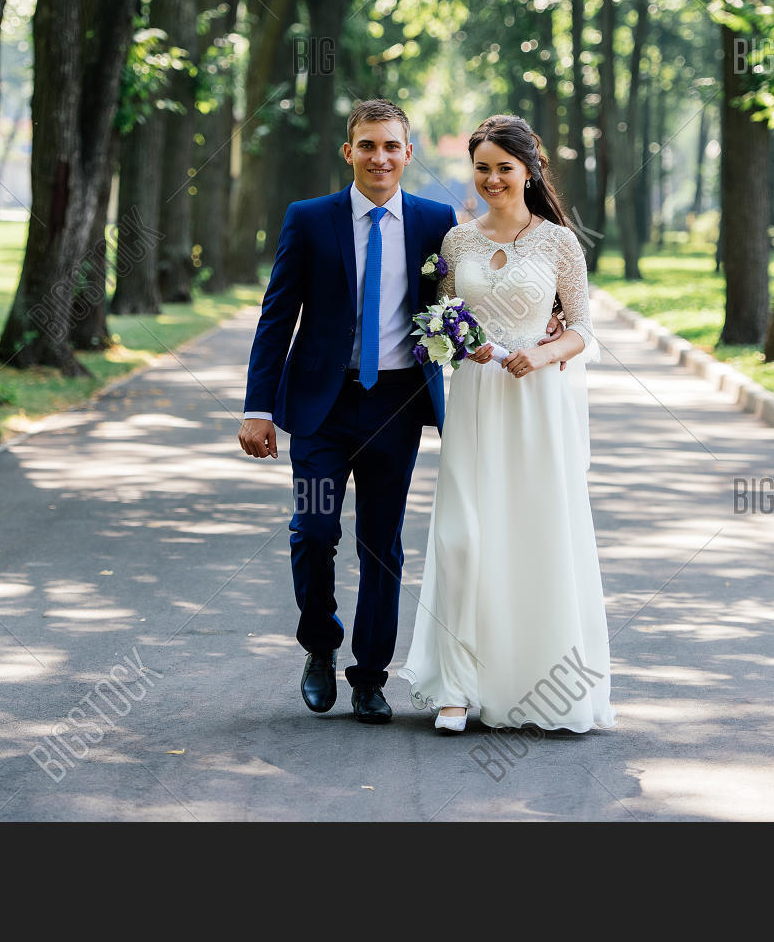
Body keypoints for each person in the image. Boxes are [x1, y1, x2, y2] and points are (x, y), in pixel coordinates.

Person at [237, 100, 564, 724]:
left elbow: (472, 294)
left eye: (391, 146)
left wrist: (548, 321)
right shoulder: (309, 219)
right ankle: (320, 646)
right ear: (349, 152)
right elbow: (276, 316)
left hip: (396, 405)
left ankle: (369, 676)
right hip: (321, 409)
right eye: (367, 145)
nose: (379, 157)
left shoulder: (434, 222)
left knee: (381, 544)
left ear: (408, 154)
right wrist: (258, 407)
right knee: (313, 530)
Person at [399, 114, 616, 734]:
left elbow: (582, 328)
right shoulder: (457, 242)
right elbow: (445, 314)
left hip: (536, 402)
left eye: (505, 168)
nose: (492, 179)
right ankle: (456, 686)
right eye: (483, 168)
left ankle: (535, 684)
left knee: (532, 535)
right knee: (463, 535)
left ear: (529, 171)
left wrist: (542, 354)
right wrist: (456, 343)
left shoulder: (559, 243)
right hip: (474, 400)